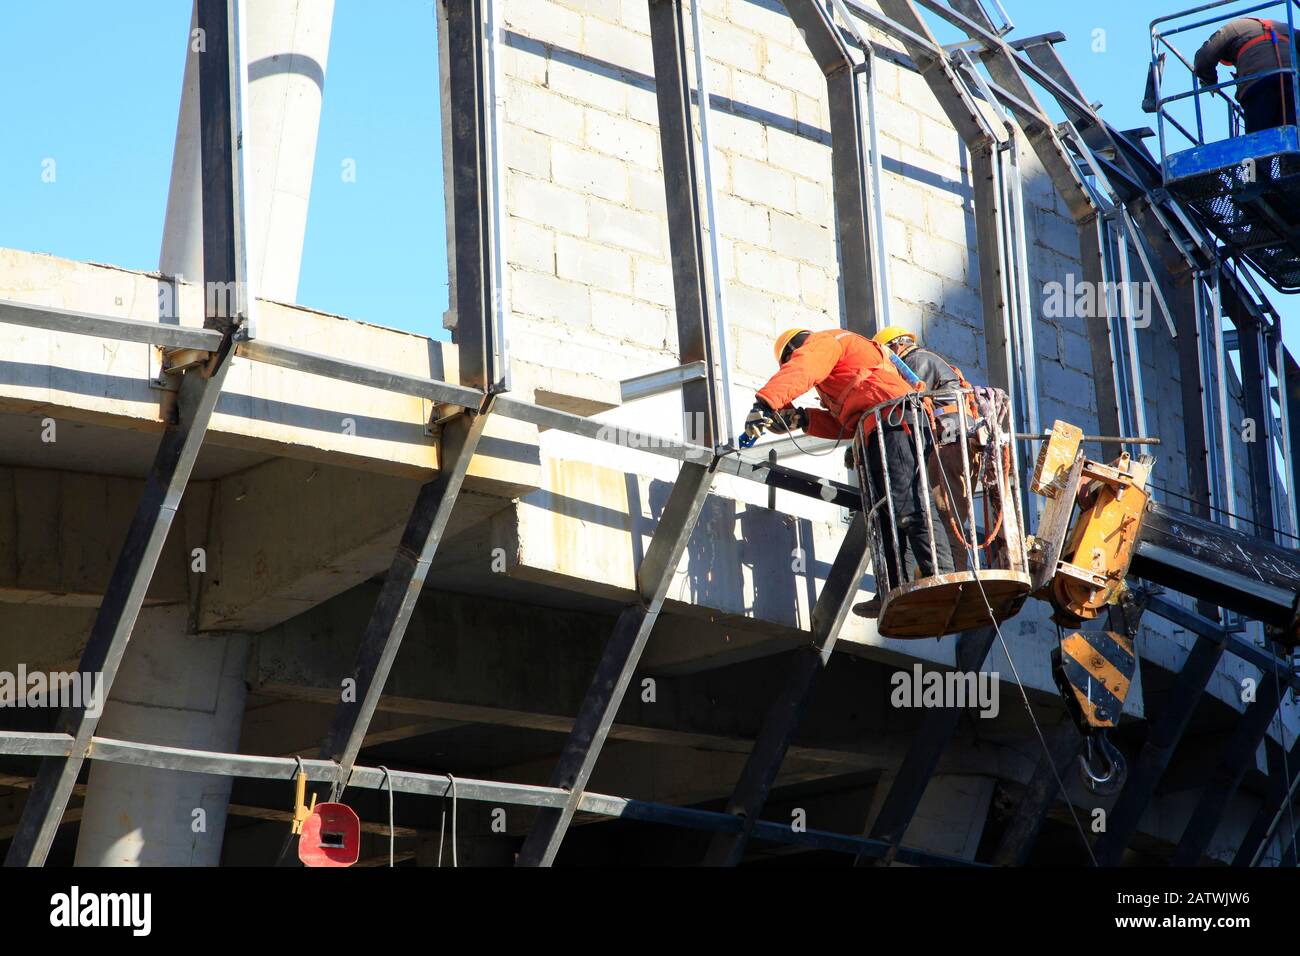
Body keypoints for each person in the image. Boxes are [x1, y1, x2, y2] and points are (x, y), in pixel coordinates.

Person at [743, 328, 954, 603]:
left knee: (908, 507)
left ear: (794, 351)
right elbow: (843, 421)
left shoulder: (825, 343)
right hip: (879, 428)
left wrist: (765, 403)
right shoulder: (838, 376)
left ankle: (942, 576)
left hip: (896, 420)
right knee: (884, 517)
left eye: (791, 360)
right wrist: (803, 419)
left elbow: (804, 367)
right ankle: (893, 590)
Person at [873, 326, 975, 574]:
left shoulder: (917, 360)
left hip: (949, 443)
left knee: (944, 511)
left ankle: (955, 576)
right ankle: (936, 572)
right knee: (934, 509)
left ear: (895, 346)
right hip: (944, 443)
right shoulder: (924, 360)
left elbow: (908, 399)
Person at [1194, 17, 1295, 133]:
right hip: (1294, 84)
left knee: (1260, 143)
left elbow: (1204, 57)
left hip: (1258, 87)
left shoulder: (1232, 28)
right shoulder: (1287, 28)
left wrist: (1209, 81)